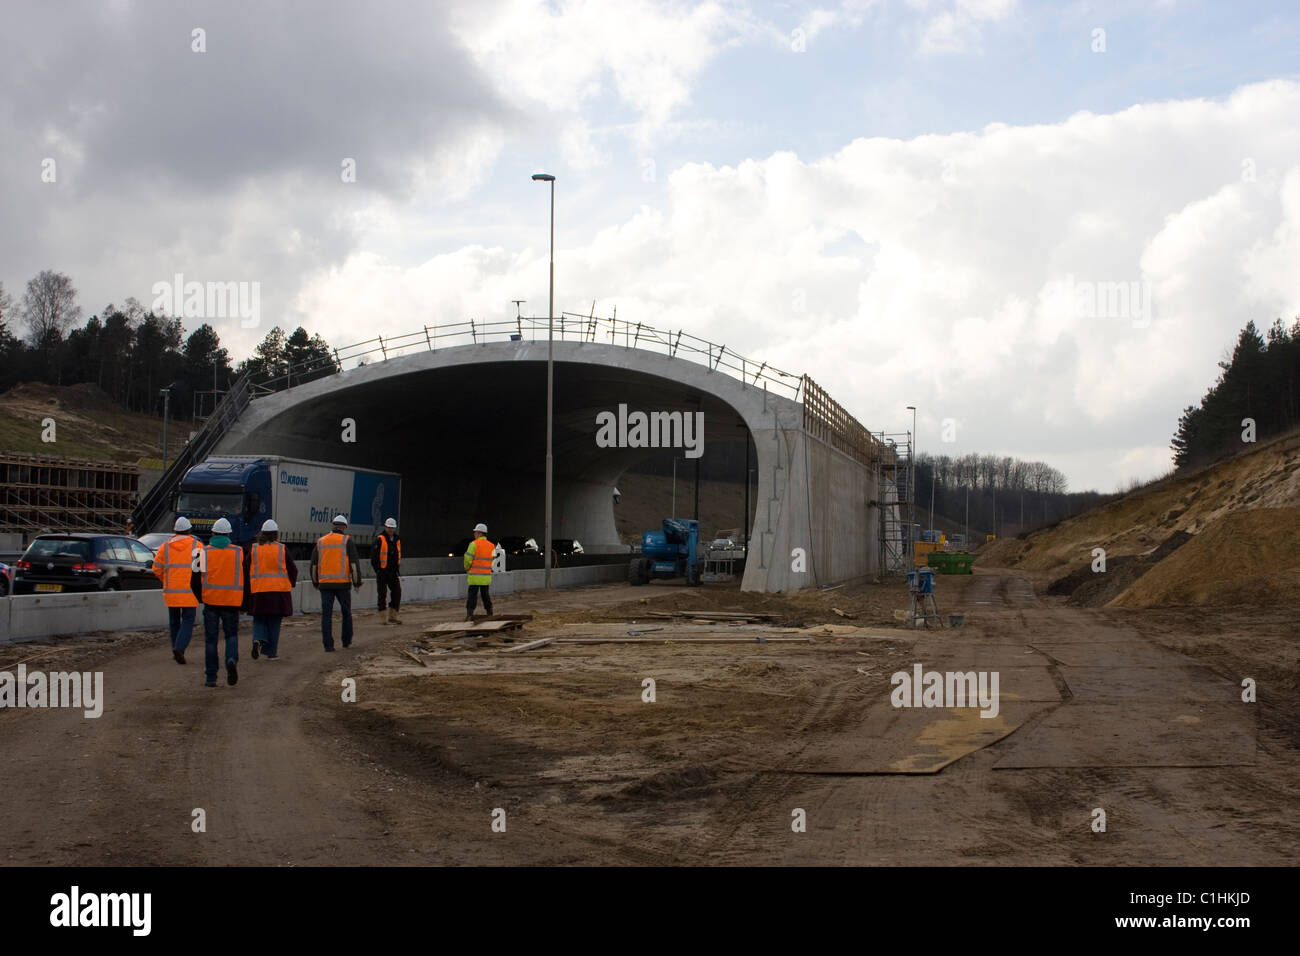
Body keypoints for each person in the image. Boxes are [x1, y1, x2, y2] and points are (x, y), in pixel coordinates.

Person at [192, 517, 242, 687]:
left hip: (211, 602)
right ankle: (231, 659)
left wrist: (201, 597)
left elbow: (194, 579)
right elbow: (247, 578)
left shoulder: (202, 553)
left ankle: (211, 677)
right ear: (229, 534)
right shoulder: (239, 552)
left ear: (212, 533)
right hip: (232, 602)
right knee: (231, 636)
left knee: (211, 640)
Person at [245, 518, 297, 661]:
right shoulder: (281, 548)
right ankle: (271, 653)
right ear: (275, 534)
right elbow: (293, 569)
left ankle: (258, 639)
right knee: (274, 622)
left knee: (259, 619)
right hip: (278, 592)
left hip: (258, 591)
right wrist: (291, 583)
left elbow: (246, 567)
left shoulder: (254, 549)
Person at [154, 516, 199, 666]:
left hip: (171, 591)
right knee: (188, 620)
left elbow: (156, 568)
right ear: (189, 530)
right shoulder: (197, 545)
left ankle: (175, 649)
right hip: (190, 592)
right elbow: (201, 570)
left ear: (174, 530)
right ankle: (179, 648)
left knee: (174, 621)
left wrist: (166, 580)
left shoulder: (165, 546)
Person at [312, 514, 361, 651]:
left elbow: (314, 565)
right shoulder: (347, 541)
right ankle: (346, 641)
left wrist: (316, 582)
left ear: (333, 526)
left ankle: (328, 646)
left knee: (326, 615)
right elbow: (354, 564)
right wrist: (356, 583)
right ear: (344, 527)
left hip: (325, 585)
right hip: (343, 584)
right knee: (346, 613)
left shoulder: (321, 541)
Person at [372, 517, 402, 624]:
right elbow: (374, 558)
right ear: (385, 527)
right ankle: (383, 618)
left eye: (392, 528)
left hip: (393, 572)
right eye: (389, 528)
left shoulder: (397, 540)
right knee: (382, 594)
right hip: (383, 572)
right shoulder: (380, 539)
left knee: (397, 592)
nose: (390, 530)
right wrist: (378, 570)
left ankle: (393, 616)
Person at [464, 522, 495, 622]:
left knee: (472, 596)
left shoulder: (473, 544)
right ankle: (489, 613)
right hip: (486, 577)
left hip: (474, 577)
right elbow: (492, 560)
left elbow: (468, 559)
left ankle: (469, 614)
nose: (474, 534)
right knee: (485, 595)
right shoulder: (491, 546)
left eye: (476, 532)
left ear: (480, 533)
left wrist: (467, 568)